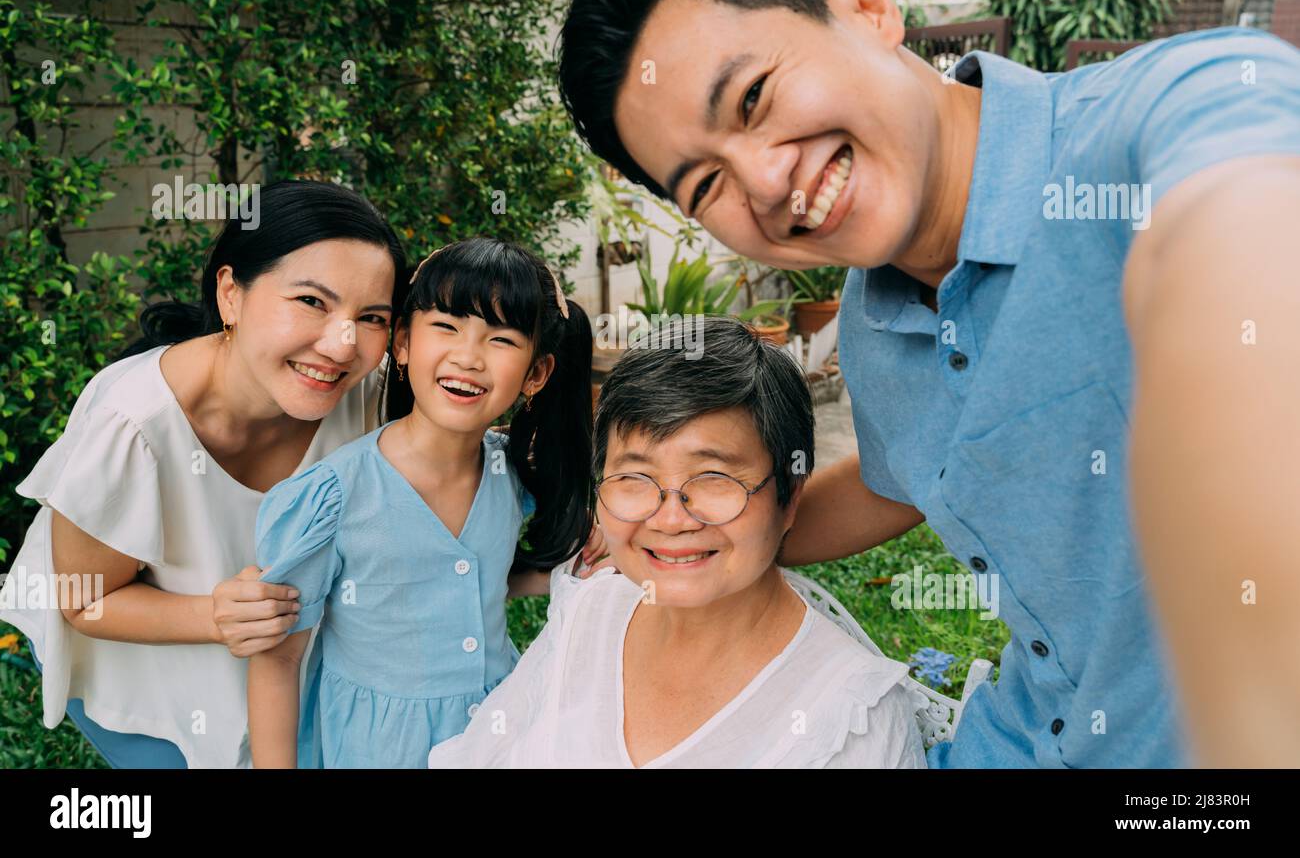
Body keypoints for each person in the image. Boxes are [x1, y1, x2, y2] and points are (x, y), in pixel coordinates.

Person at [555, 0, 1300, 767]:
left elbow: (1245, 251)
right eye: (706, 182)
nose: (763, 181)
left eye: (755, 96)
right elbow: (896, 482)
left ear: (866, 9)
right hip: (1018, 739)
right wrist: (676, 520)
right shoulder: (874, 332)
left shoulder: (1167, 115)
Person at [0, 180, 403, 767]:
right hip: (128, 648)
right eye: (311, 302)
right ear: (231, 293)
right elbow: (85, 600)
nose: (342, 345)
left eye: (371, 317)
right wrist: (215, 616)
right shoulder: (132, 423)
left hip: (265, 641)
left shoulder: (371, 387)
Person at [428, 316, 929, 768]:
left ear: (789, 496)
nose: (670, 518)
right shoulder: (590, 611)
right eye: (634, 477)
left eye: (713, 478)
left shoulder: (850, 717)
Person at [247, 237, 594, 768]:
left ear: (536, 375)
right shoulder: (334, 496)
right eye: (447, 327)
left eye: (501, 339)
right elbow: (279, 657)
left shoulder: (510, 473)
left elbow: (474, 579)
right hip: (380, 747)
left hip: (499, 731)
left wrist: (574, 568)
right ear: (403, 343)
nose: (468, 356)